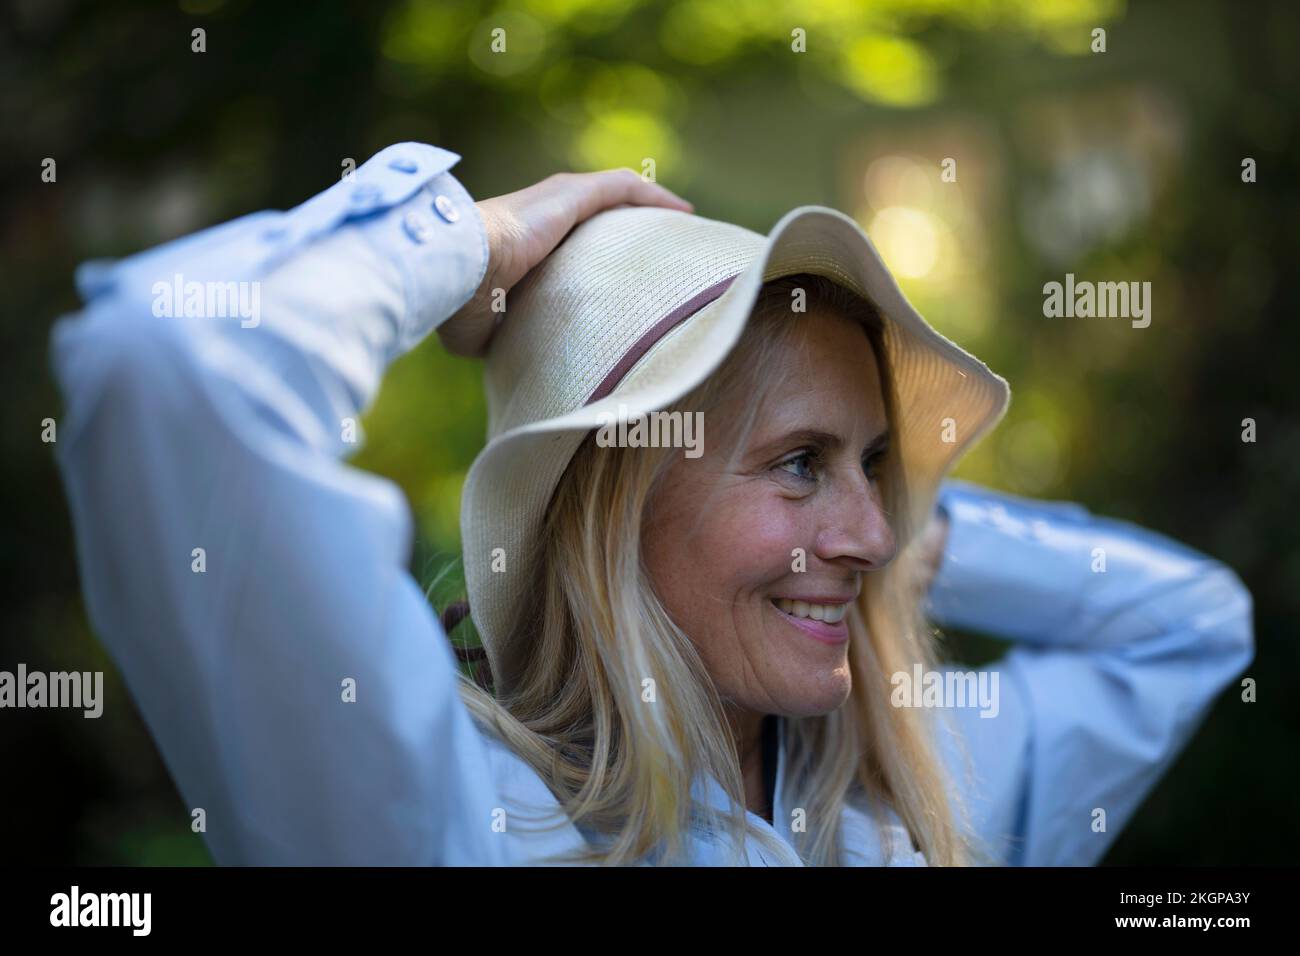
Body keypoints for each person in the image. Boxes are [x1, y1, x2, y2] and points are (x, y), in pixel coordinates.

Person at [49, 142, 1254, 866]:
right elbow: (172, 363)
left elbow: (1195, 622)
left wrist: (911, 526)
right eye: (796, 461)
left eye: (874, 462)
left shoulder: (921, 796)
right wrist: (472, 238)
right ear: (608, 502)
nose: (868, 531)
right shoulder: (436, 811)